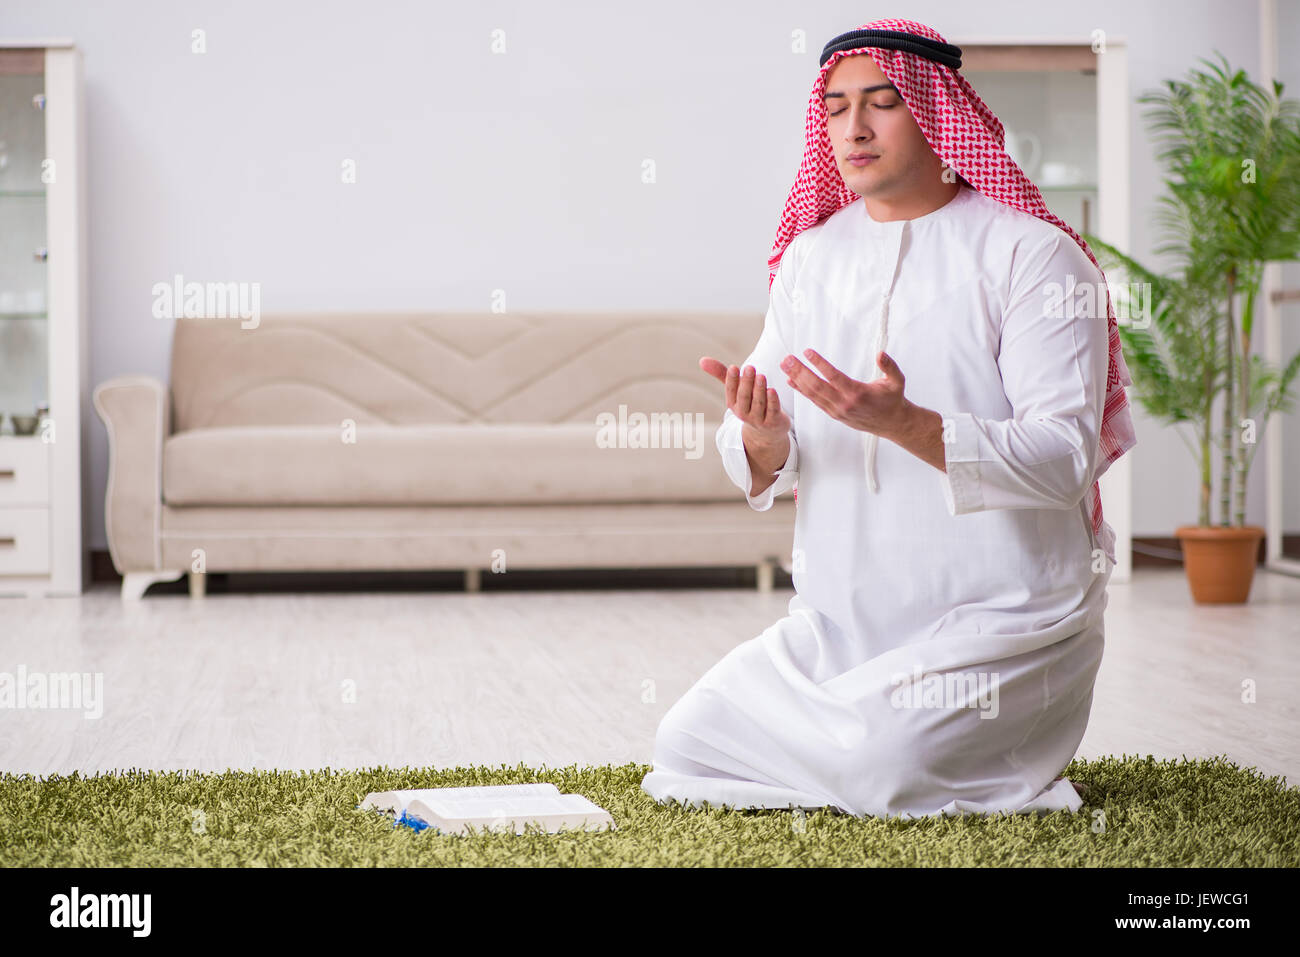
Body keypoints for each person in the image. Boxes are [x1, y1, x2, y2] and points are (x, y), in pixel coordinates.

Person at [639, 18, 1138, 818]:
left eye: (881, 103)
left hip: (1003, 628)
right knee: (686, 739)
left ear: (938, 115)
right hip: (843, 626)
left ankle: (869, 749)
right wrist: (764, 440)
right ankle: (850, 741)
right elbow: (765, 435)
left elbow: (1063, 459)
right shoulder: (813, 257)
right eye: (835, 108)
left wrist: (912, 425)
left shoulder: (1033, 256)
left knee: (880, 759)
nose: (854, 127)